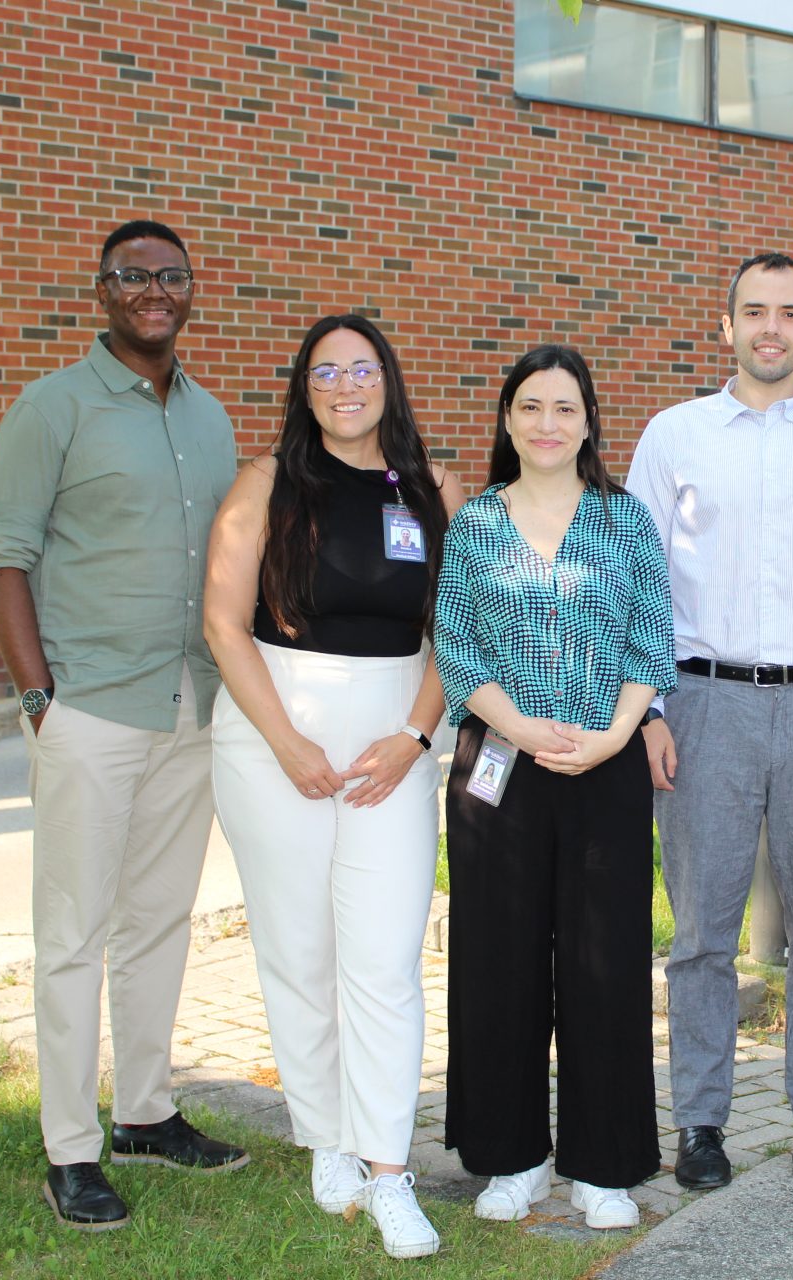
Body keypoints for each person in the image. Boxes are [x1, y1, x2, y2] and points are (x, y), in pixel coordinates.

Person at [0, 220, 246, 1232]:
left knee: (161, 919)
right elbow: (4, 558)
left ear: (189, 291)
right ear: (102, 289)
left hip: (191, 704)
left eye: (170, 277)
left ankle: (144, 1110)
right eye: (134, 277)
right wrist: (40, 696)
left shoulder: (212, 418)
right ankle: (71, 1148)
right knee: (73, 933)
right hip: (88, 703)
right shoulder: (53, 408)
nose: (153, 292)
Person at [626, 251, 793, 1190]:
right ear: (727, 326)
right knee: (701, 931)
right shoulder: (673, 436)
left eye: (789, 312)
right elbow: (638, 584)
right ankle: (700, 1124)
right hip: (705, 703)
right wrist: (651, 709)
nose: (771, 328)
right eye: (754, 311)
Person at [202, 314, 463, 1258]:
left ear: (388, 381)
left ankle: (389, 1167)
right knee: (298, 949)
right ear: (304, 389)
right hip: (279, 728)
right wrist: (284, 741)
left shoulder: (435, 491)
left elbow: (455, 636)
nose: (345, 385)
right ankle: (325, 1139)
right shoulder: (267, 486)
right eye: (325, 372)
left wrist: (413, 735)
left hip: (393, 735)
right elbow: (224, 624)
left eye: (361, 369)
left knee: (385, 959)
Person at [434, 344, 676, 1231]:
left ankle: (602, 1165)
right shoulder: (477, 524)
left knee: (602, 962)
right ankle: (510, 1159)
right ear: (507, 420)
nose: (547, 423)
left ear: (588, 421)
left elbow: (653, 638)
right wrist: (525, 729)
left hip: (604, 768)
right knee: (500, 960)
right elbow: (456, 645)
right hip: (501, 766)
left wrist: (613, 736)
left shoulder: (624, 520)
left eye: (564, 407)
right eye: (530, 406)